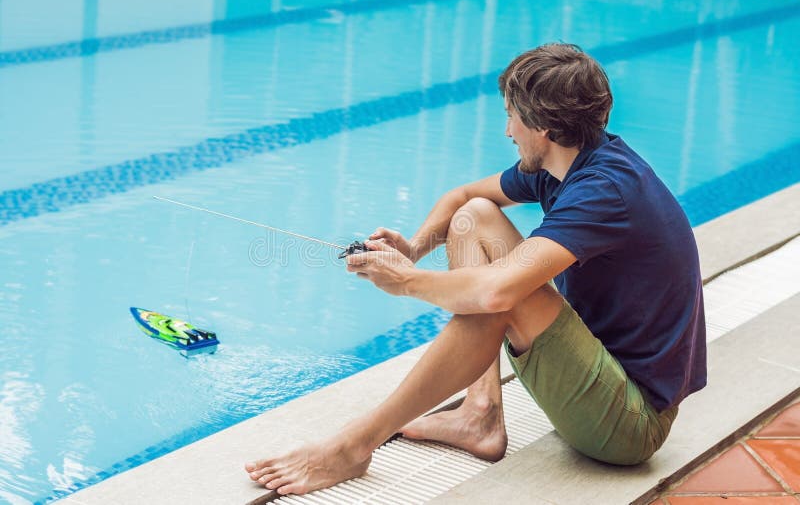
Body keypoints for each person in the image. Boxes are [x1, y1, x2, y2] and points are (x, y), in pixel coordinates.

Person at [244, 43, 707, 496]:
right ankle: (479, 411)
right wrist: (415, 249)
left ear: (543, 126)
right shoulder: (570, 161)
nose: (507, 130)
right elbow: (461, 198)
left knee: (504, 291)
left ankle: (352, 446)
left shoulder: (605, 191)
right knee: (476, 217)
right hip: (606, 375)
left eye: (511, 116)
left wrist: (405, 282)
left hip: (630, 424)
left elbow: (496, 294)